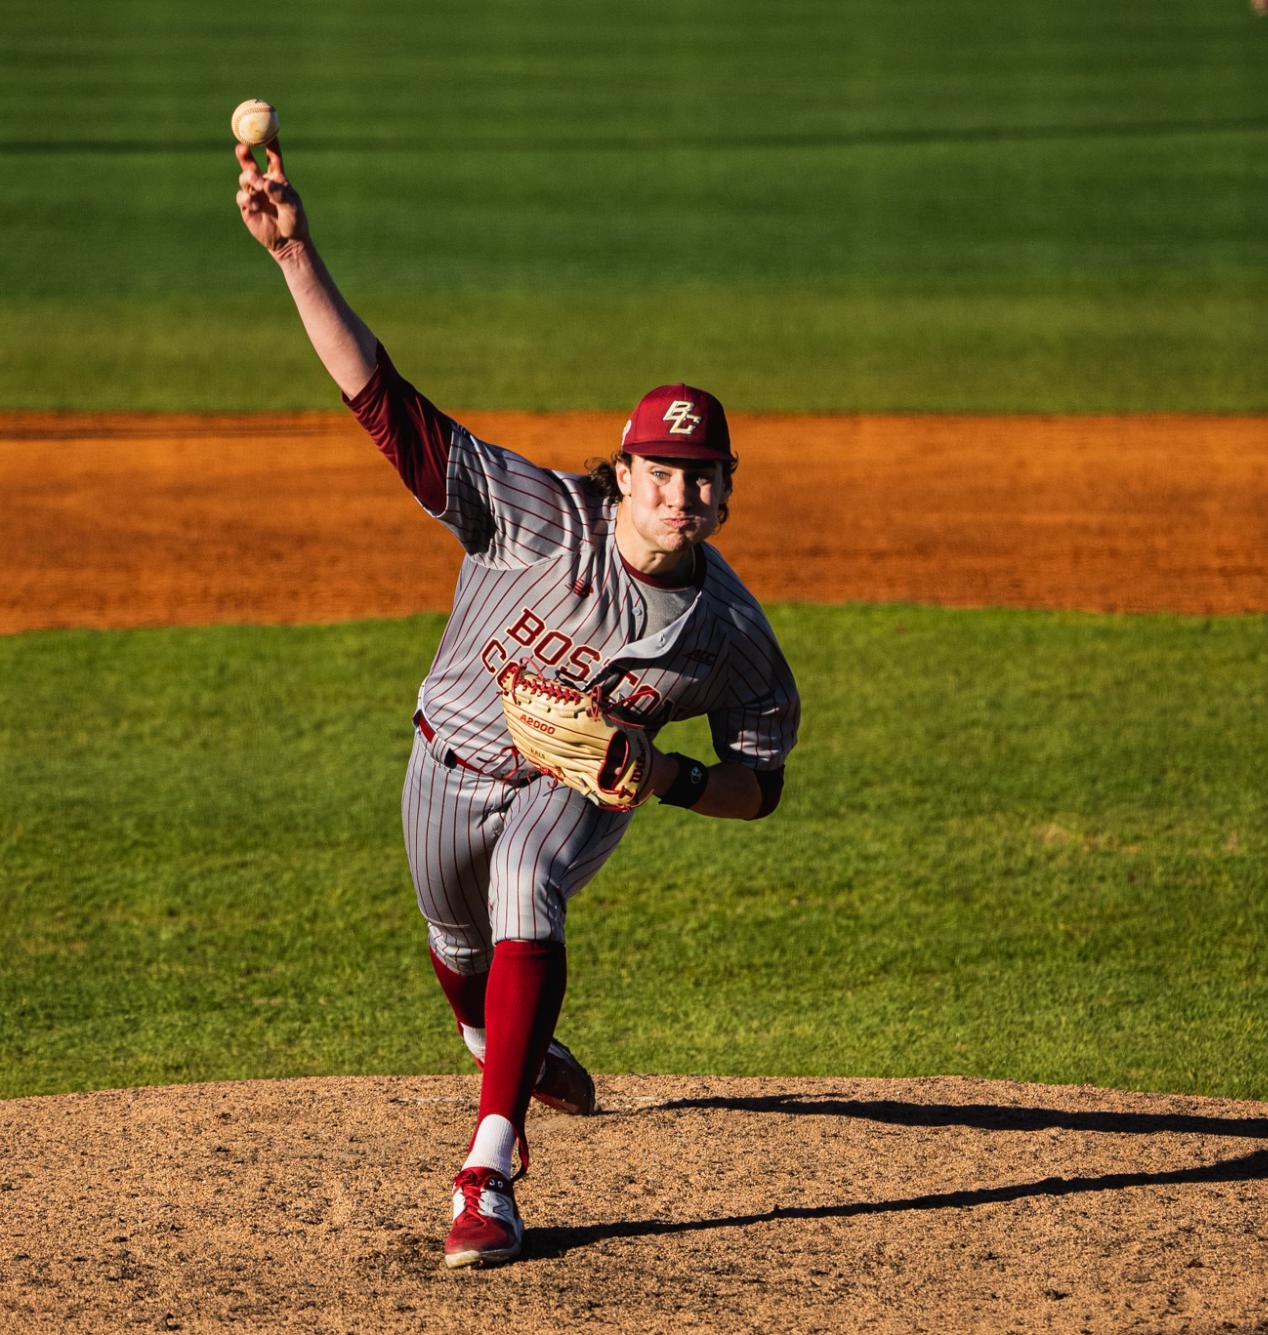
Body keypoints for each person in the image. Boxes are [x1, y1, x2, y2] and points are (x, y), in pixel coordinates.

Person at [234, 132, 800, 1267]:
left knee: (524, 879)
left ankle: (486, 1167)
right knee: (456, 943)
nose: (680, 493)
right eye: (660, 474)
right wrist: (296, 256)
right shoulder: (536, 514)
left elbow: (761, 784)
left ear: (725, 495)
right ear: (622, 475)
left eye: (702, 478)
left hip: (575, 787)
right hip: (446, 757)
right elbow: (384, 406)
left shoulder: (731, 635)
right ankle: (500, 1037)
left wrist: (671, 777)